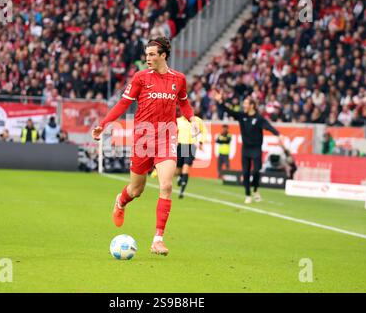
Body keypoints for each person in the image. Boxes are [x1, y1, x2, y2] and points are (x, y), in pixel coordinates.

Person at [91, 37, 198, 256]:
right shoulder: (140, 78)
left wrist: (192, 119)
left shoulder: (179, 79)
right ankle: (121, 201)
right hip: (143, 139)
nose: (147, 58)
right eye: (146, 54)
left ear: (163, 55)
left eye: (151, 54)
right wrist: (103, 125)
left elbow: (184, 103)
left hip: (166, 138)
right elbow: (123, 103)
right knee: (136, 189)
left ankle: (158, 239)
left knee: (166, 186)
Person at [223, 97, 283, 204]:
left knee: (256, 171)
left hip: (256, 149)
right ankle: (247, 194)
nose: (244, 106)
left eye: (246, 103)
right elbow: (230, 112)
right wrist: (220, 102)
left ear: (252, 105)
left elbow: (268, 126)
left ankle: (255, 189)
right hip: (245, 149)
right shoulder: (242, 116)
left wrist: (278, 134)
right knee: (245, 172)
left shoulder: (259, 118)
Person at [176, 112, 207, 199]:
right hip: (180, 146)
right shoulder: (178, 120)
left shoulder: (196, 120)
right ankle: (180, 176)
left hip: (190, 146)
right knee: (178, 170)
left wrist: (201, 141)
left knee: (186, 167)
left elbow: (204, 131)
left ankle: (182, 191)